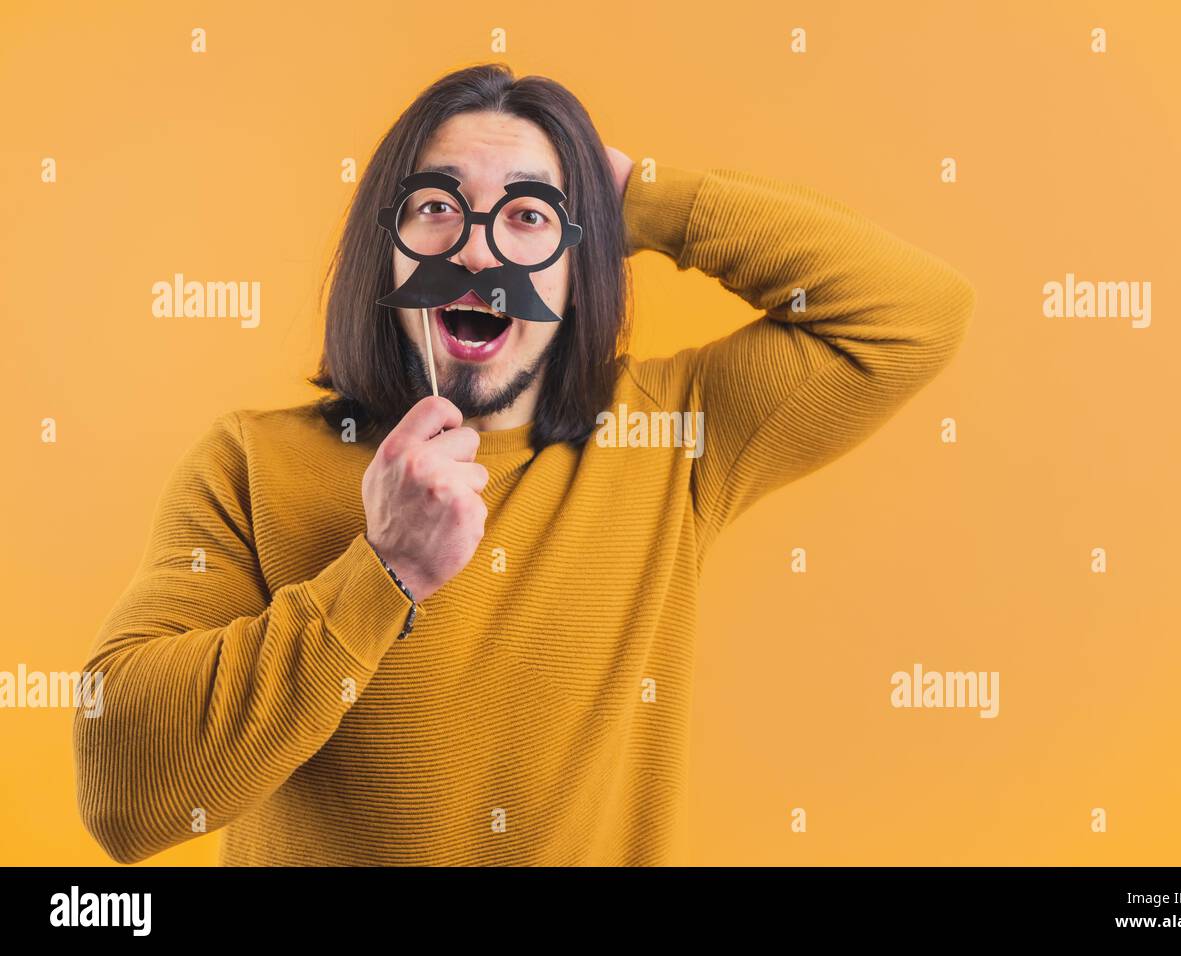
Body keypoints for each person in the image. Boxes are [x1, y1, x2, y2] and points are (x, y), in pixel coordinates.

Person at [73, 63, 975, 865]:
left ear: (581, 270)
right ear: (380, 253)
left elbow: (915, 312)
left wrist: (639, 198)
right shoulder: (252, 462)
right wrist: (383, 571)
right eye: (436, 208)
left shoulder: (666, 435)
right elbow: (121, 797)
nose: (476, 251)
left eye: (529, 217)